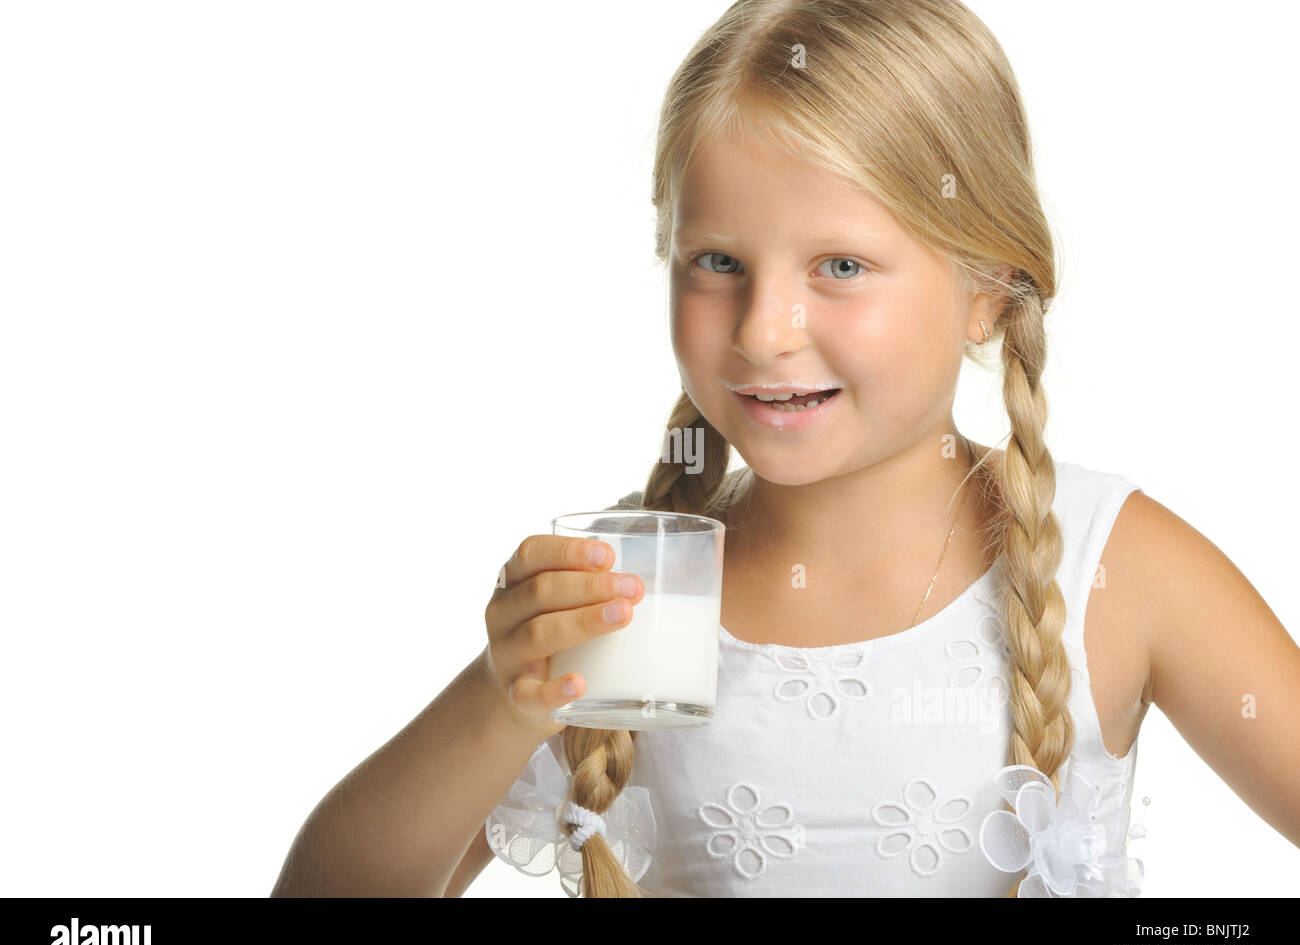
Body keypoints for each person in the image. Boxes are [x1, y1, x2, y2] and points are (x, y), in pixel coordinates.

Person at [270, 0, 1300, 898]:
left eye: (841, 264)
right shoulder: (635, 594)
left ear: (989, 288)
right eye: (718, 260)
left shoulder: (1116, 567)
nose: (763, 329)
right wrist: (501, 698)